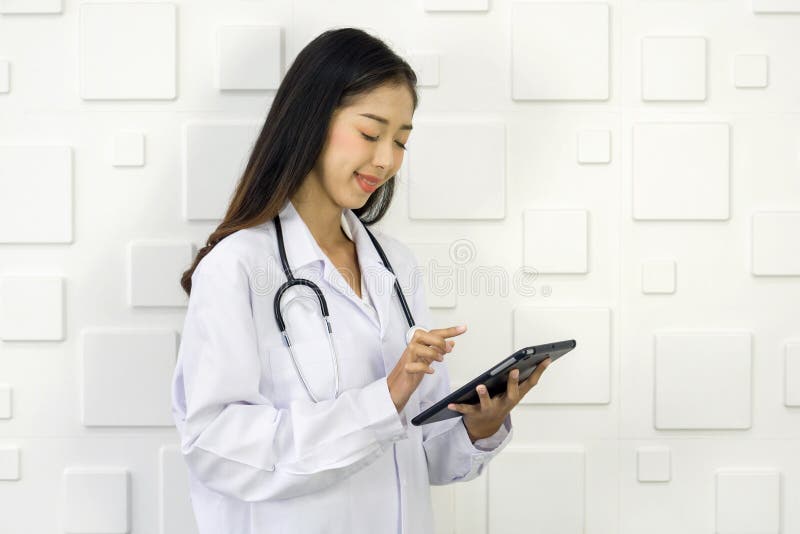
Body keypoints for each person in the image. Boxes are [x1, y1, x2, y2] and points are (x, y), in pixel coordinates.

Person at [170, 27, 551, 534]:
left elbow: (417, 450)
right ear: (310, 119)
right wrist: (383, 399)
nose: (386, 160)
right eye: (371, 134)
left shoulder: (394, 266)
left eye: (401, 141)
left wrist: (476, 428)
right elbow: (216, 448)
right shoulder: (237, 267)